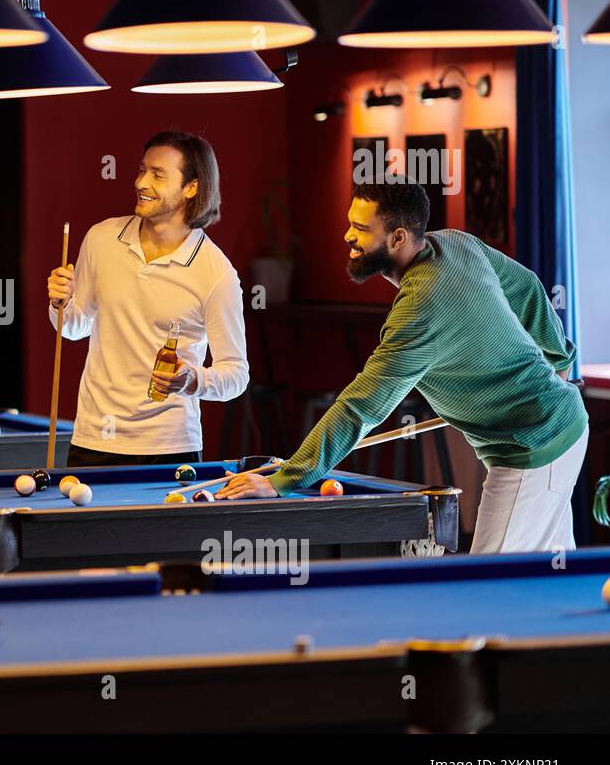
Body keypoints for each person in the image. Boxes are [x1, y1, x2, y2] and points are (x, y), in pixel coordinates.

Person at [218, 181, 588, 555]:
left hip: (533, 448)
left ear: (397, 238)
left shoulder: (420, 310)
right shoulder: (455, 243)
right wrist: (561, 360)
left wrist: (286, 479)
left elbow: (360, 407)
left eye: (361, 229)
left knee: (484, 585)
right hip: (561, 427)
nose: (348, 236)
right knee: (550, 574)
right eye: (350, 224)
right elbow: (527, 287)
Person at [46, 130, 249, 467]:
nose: (141, 182)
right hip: (94, 437)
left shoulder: (216, 273)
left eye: (157, 175)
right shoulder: (101, 239)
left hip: (170, 447)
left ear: (191, 187)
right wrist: (61, 303)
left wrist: (192, 379)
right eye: (142, 171)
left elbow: (236, 374)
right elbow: (75, 328)